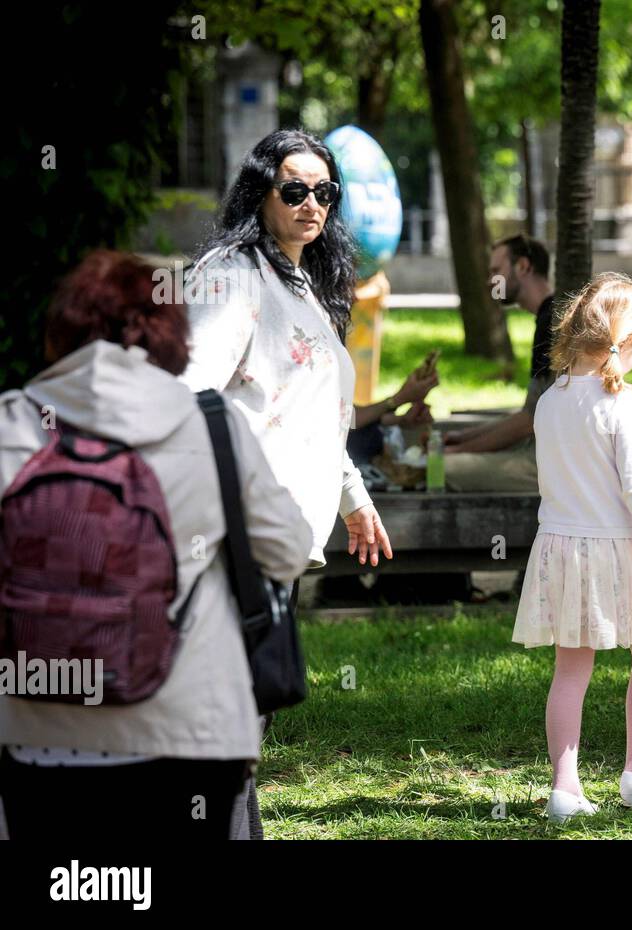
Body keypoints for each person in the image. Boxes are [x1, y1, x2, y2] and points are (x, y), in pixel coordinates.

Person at [0, 251, 311, 839]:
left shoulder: (12, 424)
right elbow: (288, 551)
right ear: (171, 333)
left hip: (36, 733)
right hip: (186, 735)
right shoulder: (214, 429)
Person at [179, 128, 392, 838]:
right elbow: (190, 397)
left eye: (324, 191)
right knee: (227, 710)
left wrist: (354, 499)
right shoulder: (233, 275)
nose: (311, 204)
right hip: (229, 529)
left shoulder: (300, 284)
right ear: (260, 193)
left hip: (276, 535)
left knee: (248, 705)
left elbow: (311, 413)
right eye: (293, 189)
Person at [511, 272, 632, 822]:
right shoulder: (622, 405)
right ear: (628, 343)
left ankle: (564, 787)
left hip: (560, 546)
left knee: (571, 669)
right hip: (618, 547)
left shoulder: (549, 401)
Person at [444, 233, 555, 491]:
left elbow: (531, 420)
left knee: (437, 470)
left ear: (523, 266)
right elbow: (531, 413)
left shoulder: (552, 320)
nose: (490, 280)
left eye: (496, 270)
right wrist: (463, 437)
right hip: (547, 457)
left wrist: (459, 451)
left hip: (552, 468)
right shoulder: (549, 315)